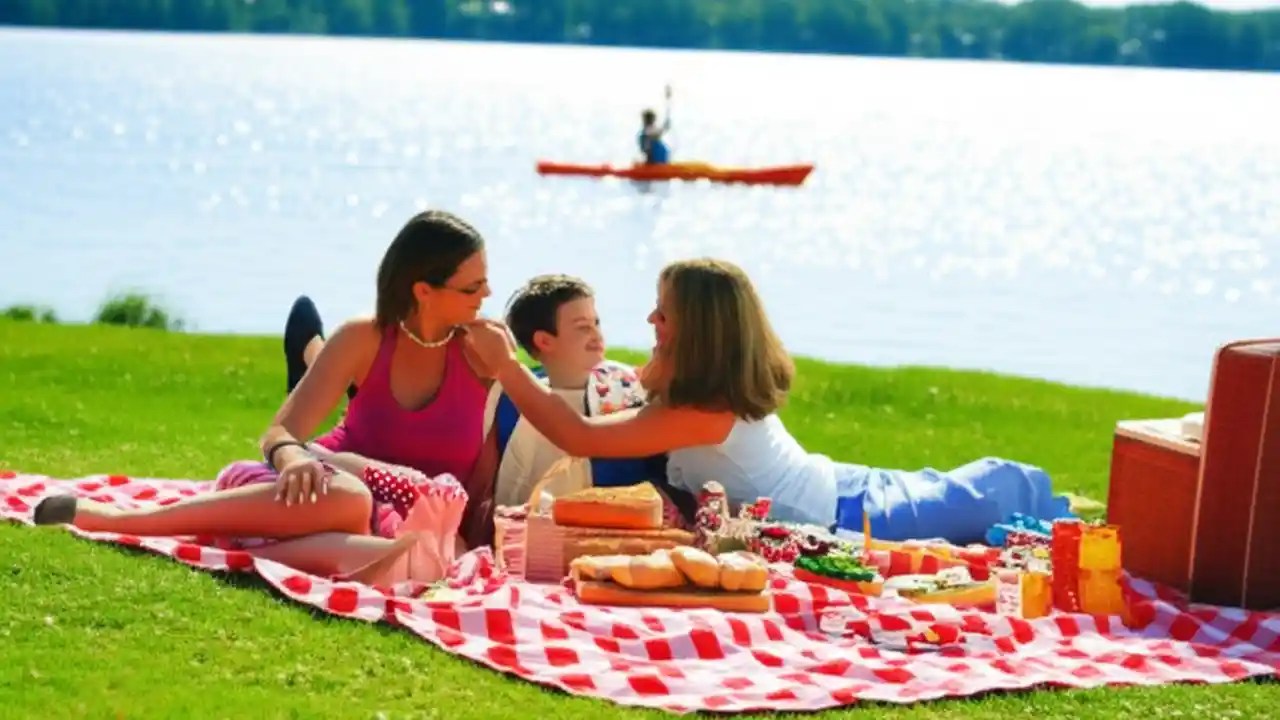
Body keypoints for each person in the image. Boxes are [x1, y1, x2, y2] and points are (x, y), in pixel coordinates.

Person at [462, 258, 1072, 545]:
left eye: (663, 313)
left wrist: (509, 367)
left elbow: (582, 438)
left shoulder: (708, 407)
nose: (649, 318)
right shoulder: (687, 386)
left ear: (699, 331)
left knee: (996, 496)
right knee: (961, 490)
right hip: (836, 480)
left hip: (845, 515)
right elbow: (588, 425)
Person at [33, 210, 501, 579]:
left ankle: (235, 551)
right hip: (307, 492)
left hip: (395, 527)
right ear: (423, 290)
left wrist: (473, 539)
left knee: (403, 556)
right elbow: (281, 432)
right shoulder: (365, 338)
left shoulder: (484, 351)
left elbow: (486, 471)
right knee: (351, 500)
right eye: (473, 286)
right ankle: (115, 522)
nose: (487, 293)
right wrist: (295, 461)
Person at [486, 274, 689, 521]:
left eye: (597, 323)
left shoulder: (628, 389)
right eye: (583, 327)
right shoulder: (512, 399)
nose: (596, 334)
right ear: (544, 341)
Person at [638, 85, 672, 165]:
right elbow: (658, 132)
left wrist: (666, 125)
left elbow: (659, 132)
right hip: (655, 159)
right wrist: (665, 126)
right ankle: (651, 164)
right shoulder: (648, 131)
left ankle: (653, 163)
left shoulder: (648, 130)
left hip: (658, 158)